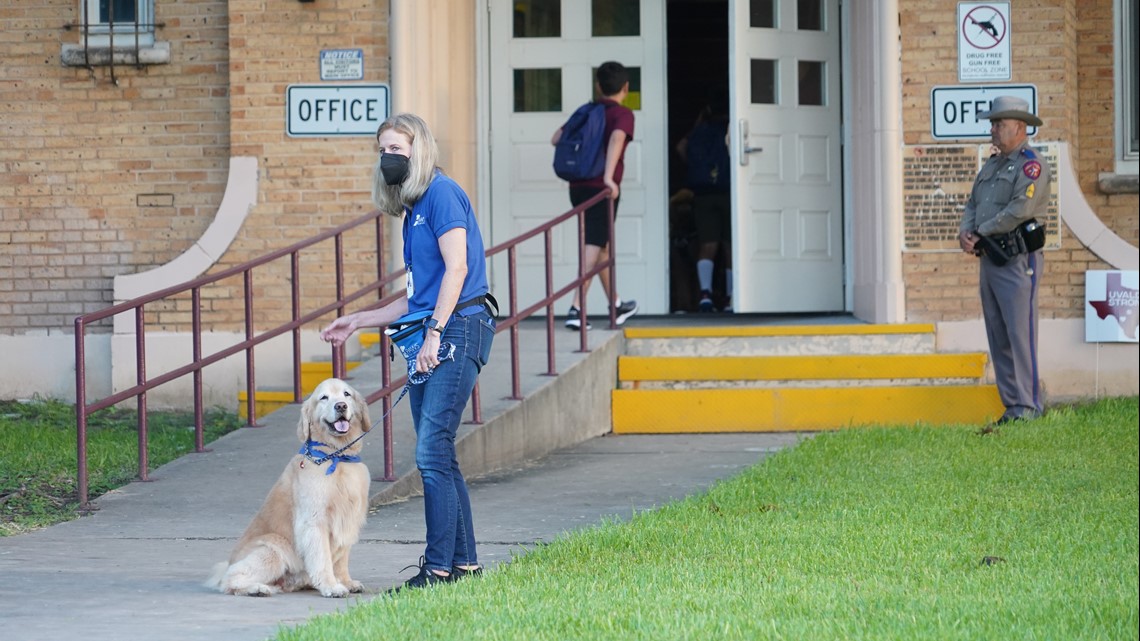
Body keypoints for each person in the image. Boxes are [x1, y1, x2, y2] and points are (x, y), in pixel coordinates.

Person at [320, 113, 495, 590]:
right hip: (432, 329)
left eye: (397, 149)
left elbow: (457, 272)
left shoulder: (442, 194)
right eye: (383, 151)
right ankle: (465, 565)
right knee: (438, 452)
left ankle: (438, 569)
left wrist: (436, 334)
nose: (388, 158)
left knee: (431, 450)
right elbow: (416, 296)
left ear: (420, 151)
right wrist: (358, 318)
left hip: (459, 328)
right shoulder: (413, 210)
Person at [958, 96, 1051, 426]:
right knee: (998, 333)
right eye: (993, 123)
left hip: (1017, 259)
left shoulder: (1031, 165)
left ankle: (1029, 406)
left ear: (1020, 128)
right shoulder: (992, 165)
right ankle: (1012, 406)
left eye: (999, 124)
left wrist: (980, 231)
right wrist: (966, 232)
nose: (993, 129)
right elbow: (973, 202)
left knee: (1020, 334)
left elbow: (1019, 211)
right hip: (990, 258)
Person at [551, 60, 639, 330]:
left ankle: (615, 303)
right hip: (601, 191)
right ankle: (576, 308)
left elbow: (556, 138)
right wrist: (609, 178)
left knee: (601, 246)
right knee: (593, 246)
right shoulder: (622, 114)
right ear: (626, 87)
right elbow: (617, 139)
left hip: (578, 188)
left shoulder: (587, 110)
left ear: (598, 86)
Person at [676, 88, 732, 312]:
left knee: (708, 244)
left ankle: (705, 296)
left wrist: (693, 166)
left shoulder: (699, 131)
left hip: (703, 193)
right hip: (728, 191)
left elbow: (680, 147)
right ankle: (730, 298)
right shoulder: (731, 128)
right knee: (730, 245)